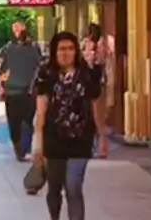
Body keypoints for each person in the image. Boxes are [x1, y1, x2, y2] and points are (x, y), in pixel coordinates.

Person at [31, 31, 108, 220]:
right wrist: (38, 143)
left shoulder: (87, 75)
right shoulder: (46, 73)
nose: (66, 53)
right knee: (54, 188)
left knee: (73, 186)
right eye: (62, 49)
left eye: (71, 48)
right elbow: (41, 111)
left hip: (81, 138)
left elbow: (95, 106)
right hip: (53, 138)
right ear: (55, 52)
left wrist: (102, 136)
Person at [0, 21, 43, 161]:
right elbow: (2, 70)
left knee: (26, 121)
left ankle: (22, 149)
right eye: (15, 30)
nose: (18, 33)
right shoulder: (8, 49)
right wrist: (1, 86)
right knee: (15, 122)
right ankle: (20, 149)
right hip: (13, 91)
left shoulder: (33, 48)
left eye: (19, 30)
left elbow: (39, 67)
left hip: (27, 91)